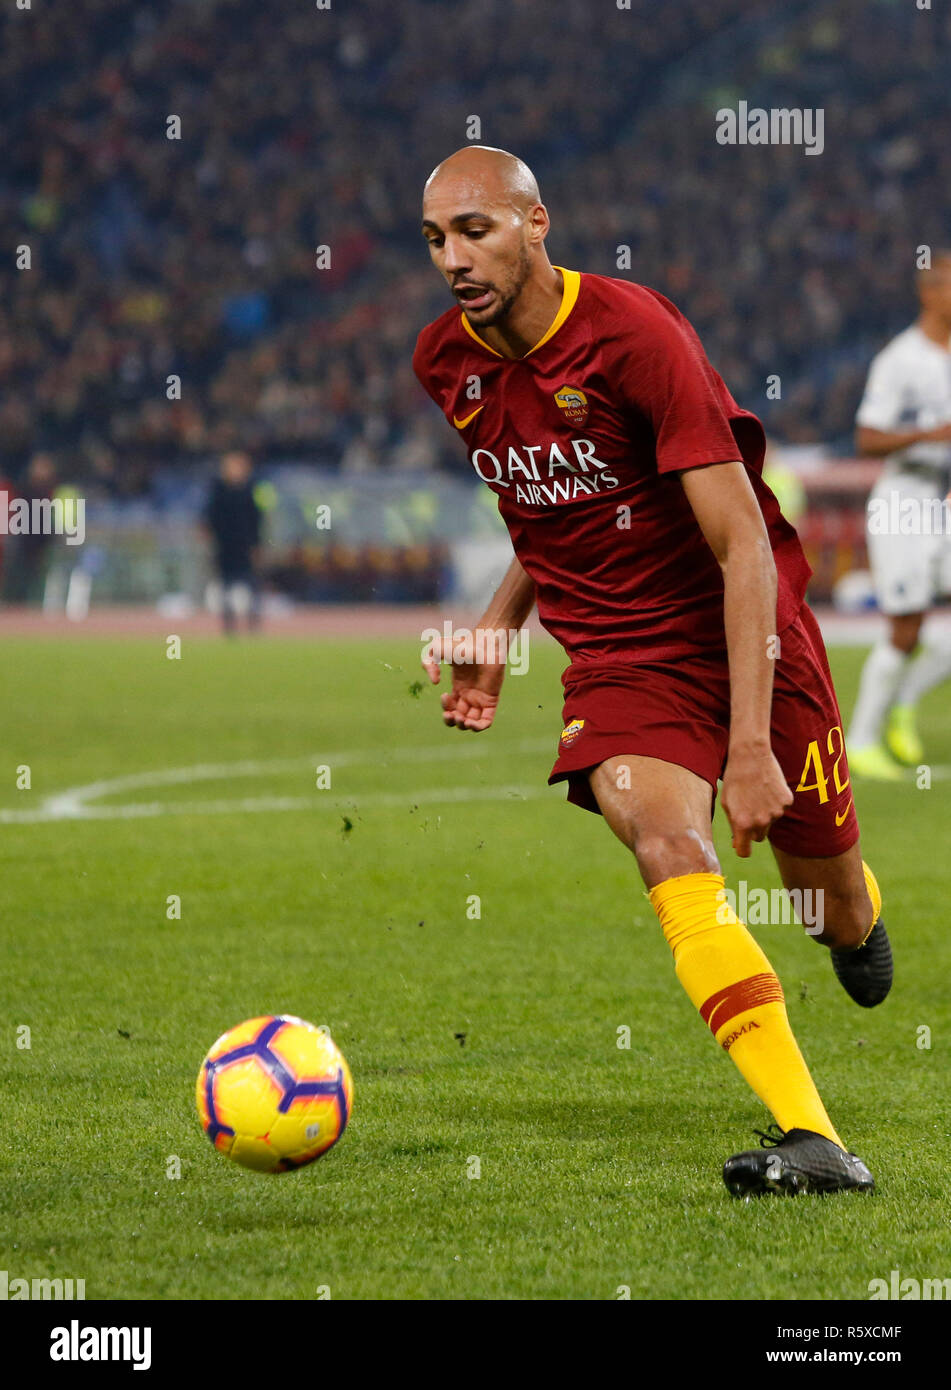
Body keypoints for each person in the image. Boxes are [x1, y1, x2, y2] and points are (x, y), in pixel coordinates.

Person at [413, 145, 891, 1197]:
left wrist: (753, 745)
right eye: (436, 239)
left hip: (744, 628)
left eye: (476, 229)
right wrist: (498, 633)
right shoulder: (447, 363)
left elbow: (745, 548)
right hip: (623, 659)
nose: (454, 256)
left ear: (537, 225)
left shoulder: (633, 336)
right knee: (668, 841)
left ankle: (855, 904)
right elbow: (542, 511)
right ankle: (812, 1137)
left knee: (832, 914)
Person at [847, 252, 951, 779]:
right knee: (906, 625)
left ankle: (905, 701)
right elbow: (867, 437)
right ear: (930, 292)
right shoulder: (900, 359)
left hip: (944, 499)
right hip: (904, 501)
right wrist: (929, 435)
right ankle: (862, 740)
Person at [204, 450, 263, 634]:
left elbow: (257, 520)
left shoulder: (251, 490)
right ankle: (229, 626)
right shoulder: (218, 490)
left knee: (251, 585)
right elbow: (210, 517)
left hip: (245, 546)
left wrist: (256, 545)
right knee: (225, 587)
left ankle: (253, 624)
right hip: (224, 546)